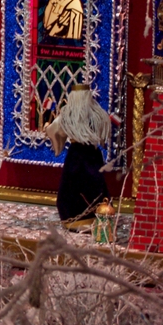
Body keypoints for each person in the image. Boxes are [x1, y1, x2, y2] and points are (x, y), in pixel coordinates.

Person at [45, 83, 111, 223]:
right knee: (95, 186)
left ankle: (74, 217)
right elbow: (105, 134)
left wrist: (47, 128)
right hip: (93, 154)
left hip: (76, 156)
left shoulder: (67, 115)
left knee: (72, 187)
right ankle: (96, 217)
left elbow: (54, 131)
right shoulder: (98, 114)